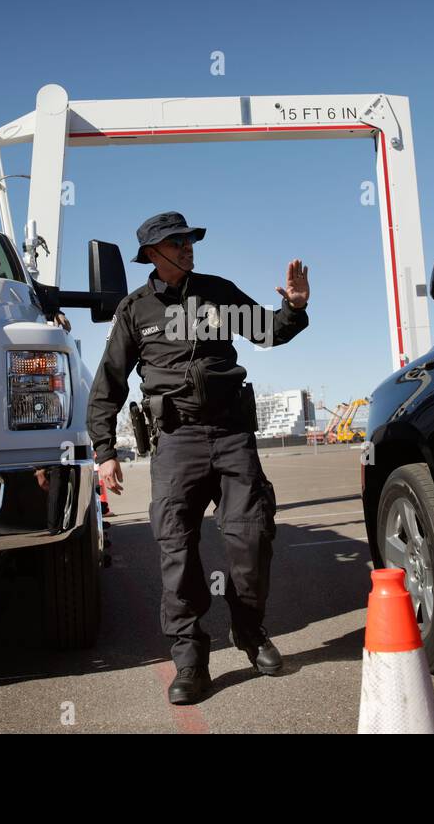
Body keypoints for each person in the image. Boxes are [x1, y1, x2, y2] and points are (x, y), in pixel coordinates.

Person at [87, 211, 310, 704]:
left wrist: (292, 308)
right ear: (151, 253)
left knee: (252, 537)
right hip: (176, 441)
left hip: (231, 434)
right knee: (177, 552)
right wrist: (105, 451)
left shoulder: (219, 290)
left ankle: (249, 632)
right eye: (177, 242)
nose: (188, 247)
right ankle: (190, 662)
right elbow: (108, 384)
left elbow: (268, 332)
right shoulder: (134, 310)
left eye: (189, 239)